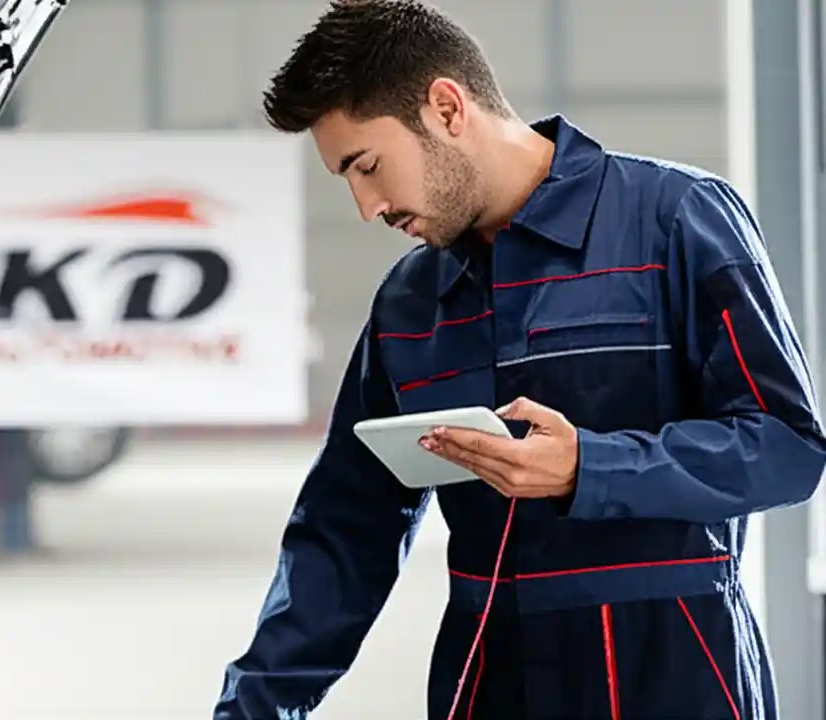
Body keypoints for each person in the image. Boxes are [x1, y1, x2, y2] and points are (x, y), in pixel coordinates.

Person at [212, 1, 826, 718]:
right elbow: (346, 530)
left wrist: (588, 468)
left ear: (446, 108)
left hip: (677, 678)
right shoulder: (410, 303)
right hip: (488, 686)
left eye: (368, 166)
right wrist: (254, 706)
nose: (366, 206)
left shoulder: (675, 219)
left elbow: (786, 448)